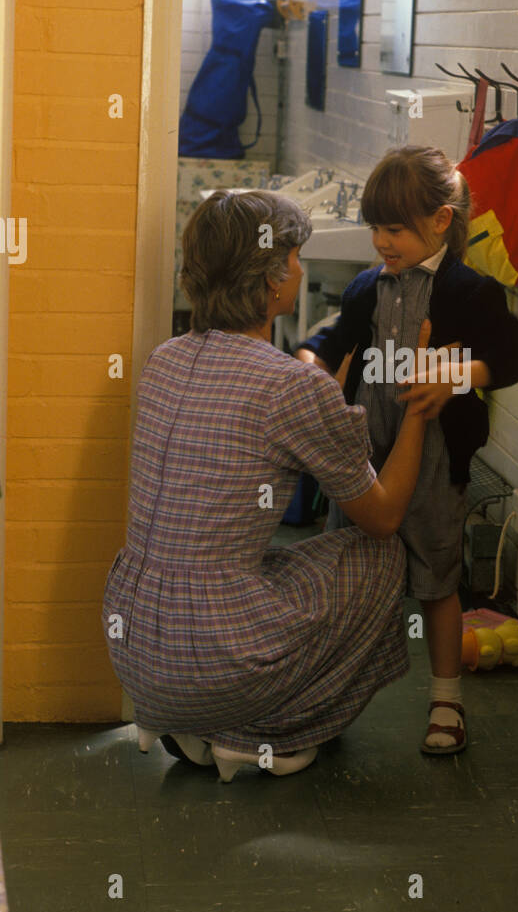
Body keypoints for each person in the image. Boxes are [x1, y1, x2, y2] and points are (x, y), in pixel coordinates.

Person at [101, 189, 433, 782]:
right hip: (211, 653)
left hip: (134, 644)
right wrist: (418, 411)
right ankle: (264, 733)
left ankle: (191, 720)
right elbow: (380, 516)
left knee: (265, 563)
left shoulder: (164, 358)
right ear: (270, 275)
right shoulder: (291, 387)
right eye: (295, 256)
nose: (301, 268)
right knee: (381, 555)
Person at [297, 146, 518, 756]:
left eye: (395, 228)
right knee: (345, 575)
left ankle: (447, 700)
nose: (381, 241)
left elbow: (516, 357)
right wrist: (312, 363)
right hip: (366, 454)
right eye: (375, 227)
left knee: (436, 581)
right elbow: (333, 336)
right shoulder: (364, 287)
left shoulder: (471, 292)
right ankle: (324, 695)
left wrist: (458, 374)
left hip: (436, 459)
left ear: (440, 220)